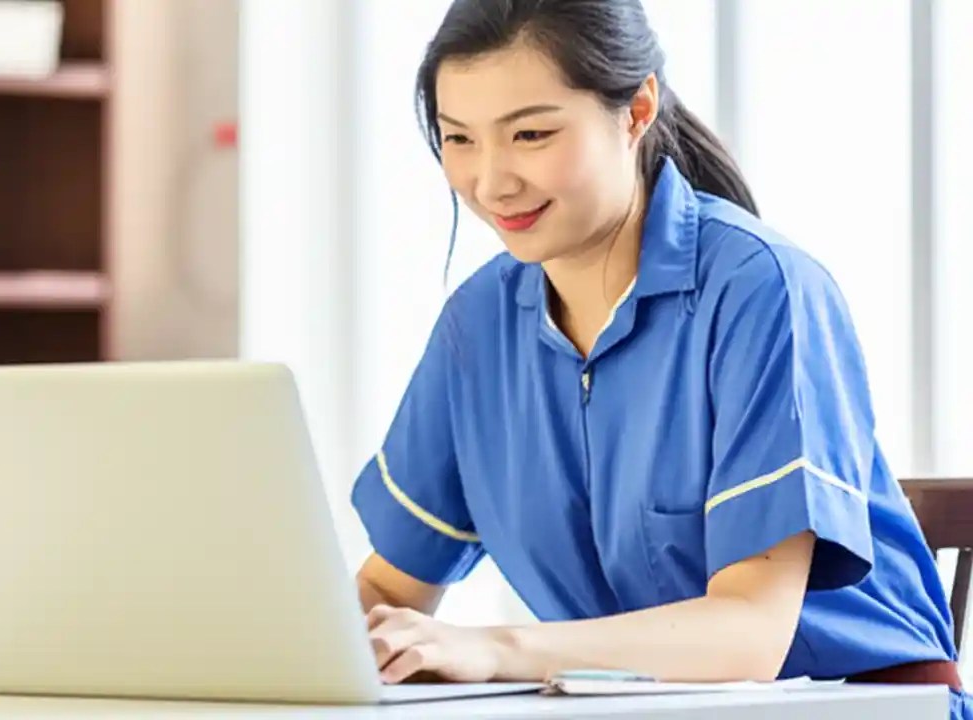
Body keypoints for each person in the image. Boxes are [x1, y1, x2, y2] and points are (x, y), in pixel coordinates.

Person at [348, 1, 971, 717]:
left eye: (531, 134)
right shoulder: (478, 325)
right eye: (459, 138)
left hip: (852, 708)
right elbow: (389, 589)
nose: (491, 182)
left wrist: (494, 648)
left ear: (636, 110)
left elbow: (750, 633)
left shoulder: (761, 287)